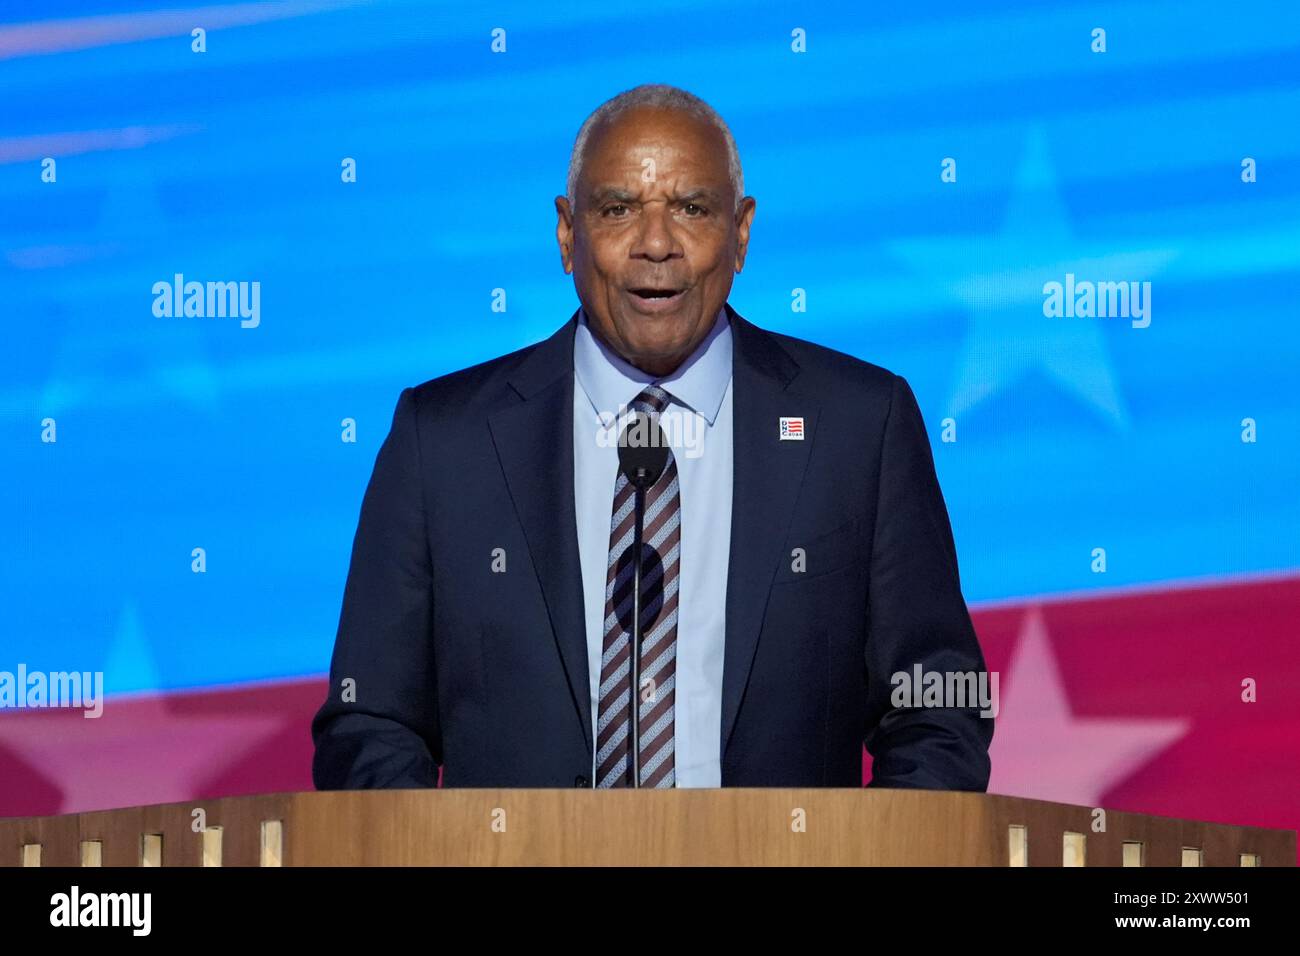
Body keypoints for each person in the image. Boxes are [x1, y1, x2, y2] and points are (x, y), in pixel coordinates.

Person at [311, 83, 993, 791]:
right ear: (568, 234)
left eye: (693, 209)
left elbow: (940, 706)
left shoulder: (858, 425)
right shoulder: (444, 441)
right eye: (617, 210)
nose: (657, 244)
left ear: (742, 232)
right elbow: (371, 725)